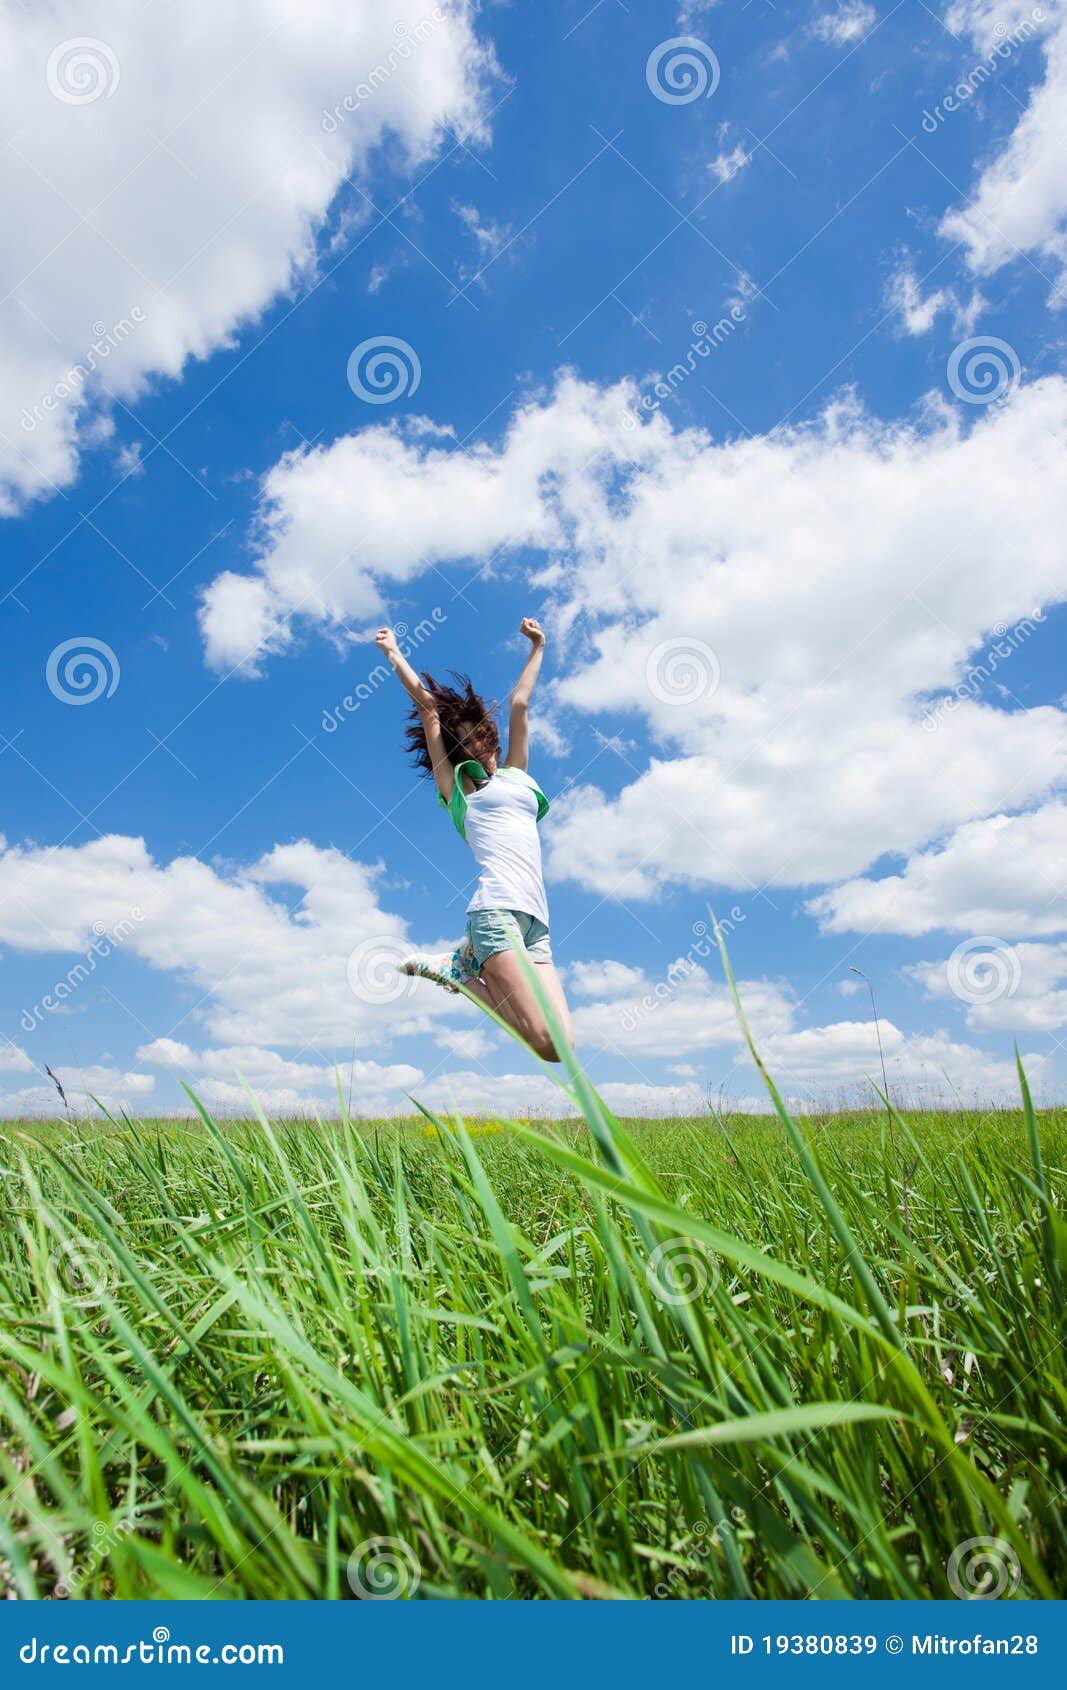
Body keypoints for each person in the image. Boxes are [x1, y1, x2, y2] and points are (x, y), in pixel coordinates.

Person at [374, 618, 573, 1063]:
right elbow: (428, 710)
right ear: (459, 750)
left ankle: (461, 966)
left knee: (560, 1048)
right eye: (473, 739)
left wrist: (538, 645)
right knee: (541, 1041)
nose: (487, 741)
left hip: (536, 923)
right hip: (496, 912)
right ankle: (460, 975)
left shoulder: (519, 777)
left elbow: (519, 704)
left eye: (486, 732)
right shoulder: (460, 792)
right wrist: (393, 653)